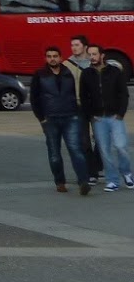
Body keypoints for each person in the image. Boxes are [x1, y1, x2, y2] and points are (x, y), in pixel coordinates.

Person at [32, 46, 92, 194]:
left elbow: (74, 94)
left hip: (70, 117)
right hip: (50, 119)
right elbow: (34, 98)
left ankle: (83, 181)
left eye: (55, 56)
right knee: (54, 153)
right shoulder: (40, 75)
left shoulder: (67, 73)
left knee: (76, 150)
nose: (52, 58)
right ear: (46, 58)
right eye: (49, 56)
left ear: (60, 57)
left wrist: (76, 112)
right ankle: (60, 181)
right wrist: (42, 118)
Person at [80, 44, 133, 191]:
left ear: (102, 55)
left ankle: (127, 173)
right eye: (89, 54)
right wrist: (91, 114)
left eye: (95, 54)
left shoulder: (115, 71)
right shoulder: (86, 74)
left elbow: (123, 94)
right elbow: (84, 97)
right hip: (98, 118)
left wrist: (120, 113)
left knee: (121, 146)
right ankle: (112, 180)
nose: (92, 57)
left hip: (115, 116)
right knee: (104, 150)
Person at [67, 34, 103, 181]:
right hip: (77, 106)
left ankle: (96, 165)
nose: (74, 48)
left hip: (96, 107)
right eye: (72, 45)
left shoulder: (94, 63)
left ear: (85, 47)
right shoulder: (67, 65)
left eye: (77, 45)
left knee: (101, 139)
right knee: (84, 141)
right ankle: (91, 172)